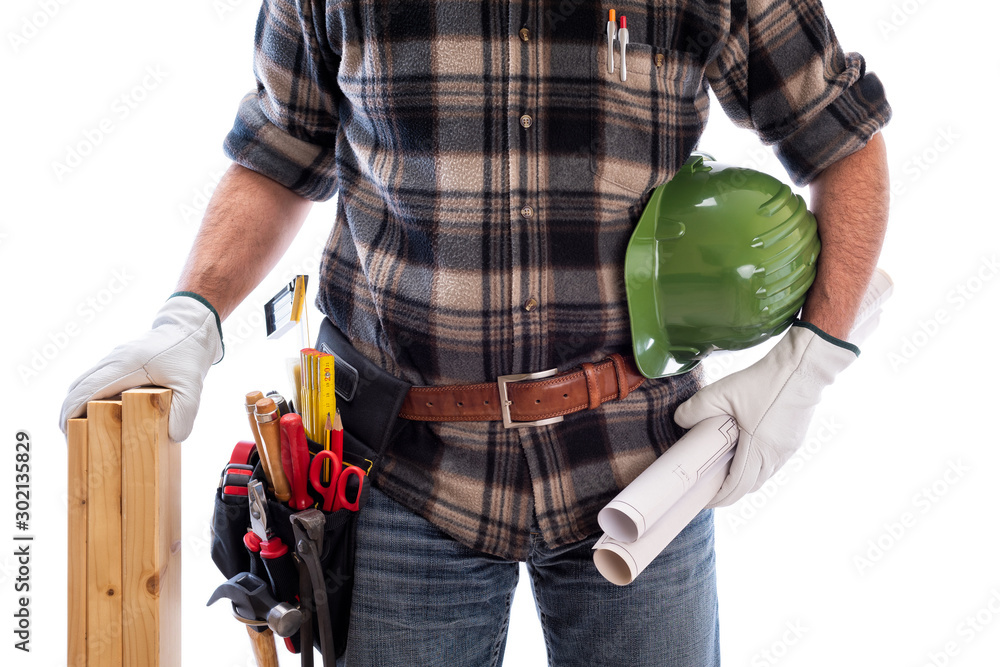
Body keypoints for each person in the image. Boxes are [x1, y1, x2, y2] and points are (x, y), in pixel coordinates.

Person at [61, 1, 891, 665]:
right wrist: (191, 315)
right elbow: (280, 153)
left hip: (640, 466)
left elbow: (841, 139)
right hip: (400, 472)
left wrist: (809, 362)